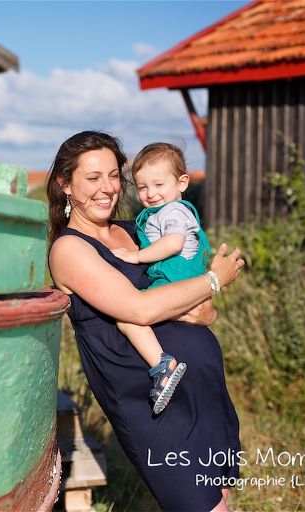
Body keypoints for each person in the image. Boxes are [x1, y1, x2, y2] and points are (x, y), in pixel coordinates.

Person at [47, 131, 244, 512]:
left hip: (200, 388)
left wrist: (207, 311)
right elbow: (139, 310)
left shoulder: (138, 229)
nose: (107, 188)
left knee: (219, 495)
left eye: (114, 175)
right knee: (199, 505)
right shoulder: (70, 249)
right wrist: (214, 281)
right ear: (64, 183)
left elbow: (189, 296)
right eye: (92, 178)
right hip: (153, 403)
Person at [110, 143, 211, 415]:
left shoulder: (174, 212)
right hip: (178, 276)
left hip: (175, 274)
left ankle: (163, 364)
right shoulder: (161, 212)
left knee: (129, 316)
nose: (150, 194)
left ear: (182, 182)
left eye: (158, 185)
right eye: (142, 187)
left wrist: (138, 257)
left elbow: (174, 243)